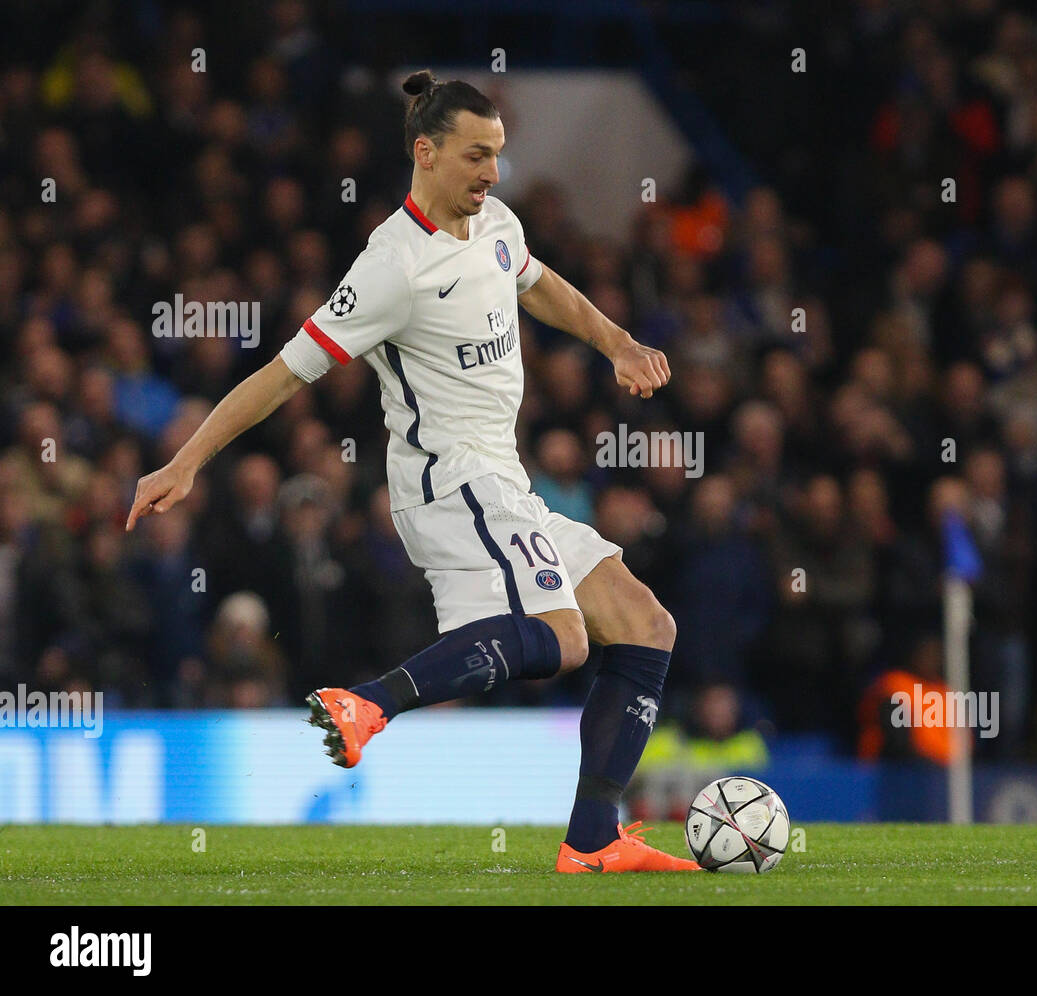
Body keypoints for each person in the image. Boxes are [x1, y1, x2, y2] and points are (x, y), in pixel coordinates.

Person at [126, 71, 695, 873]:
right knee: (565, 639)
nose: (492, 171)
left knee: (645, 624)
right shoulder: (390, 267)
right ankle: (368, 703)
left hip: (503, 479)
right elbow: (283, 374)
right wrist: (186, 461)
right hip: (448, 483)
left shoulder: (496, 223)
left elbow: (540, 286)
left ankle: (594, 837)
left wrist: (618, 344)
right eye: (475, 155)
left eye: (497, 153)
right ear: (425, 153)